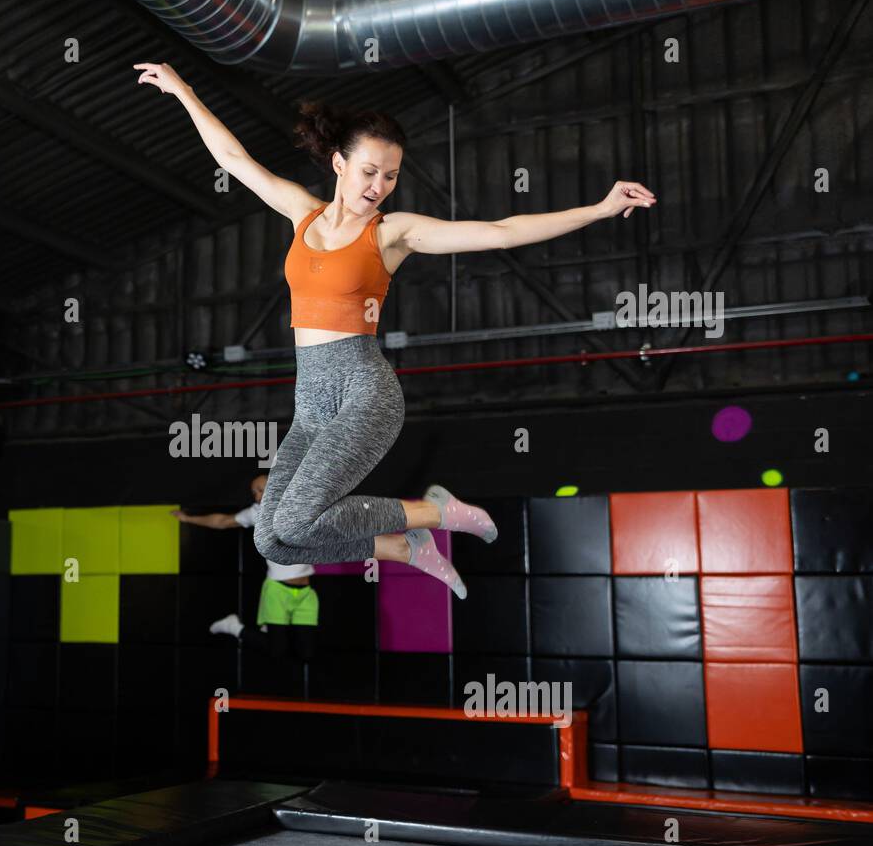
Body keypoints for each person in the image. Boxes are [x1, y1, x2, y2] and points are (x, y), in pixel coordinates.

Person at [136, 62, 655, 597]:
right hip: (312, 402)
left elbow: (500, 233)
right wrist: (184, 90)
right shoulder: (303, 214)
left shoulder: (392, 233)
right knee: (272, 539)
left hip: (364, 391)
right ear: (339, 163)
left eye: (390, 175)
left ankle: (435, 511)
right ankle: (403, 548)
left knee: (291, 524)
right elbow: (232, 159)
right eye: (368, 171)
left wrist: (598, 209)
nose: (378, 185)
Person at [172, 473, 318, 690]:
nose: (257, 496)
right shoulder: (256, 513)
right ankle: (234, 627)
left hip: (306, 592)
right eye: (254, 492)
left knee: (307, 655)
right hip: (277, 590)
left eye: (261, 489)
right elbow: (222, 521)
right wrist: (188, 518)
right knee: (277, 652)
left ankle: (265, 630)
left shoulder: (298, 506)